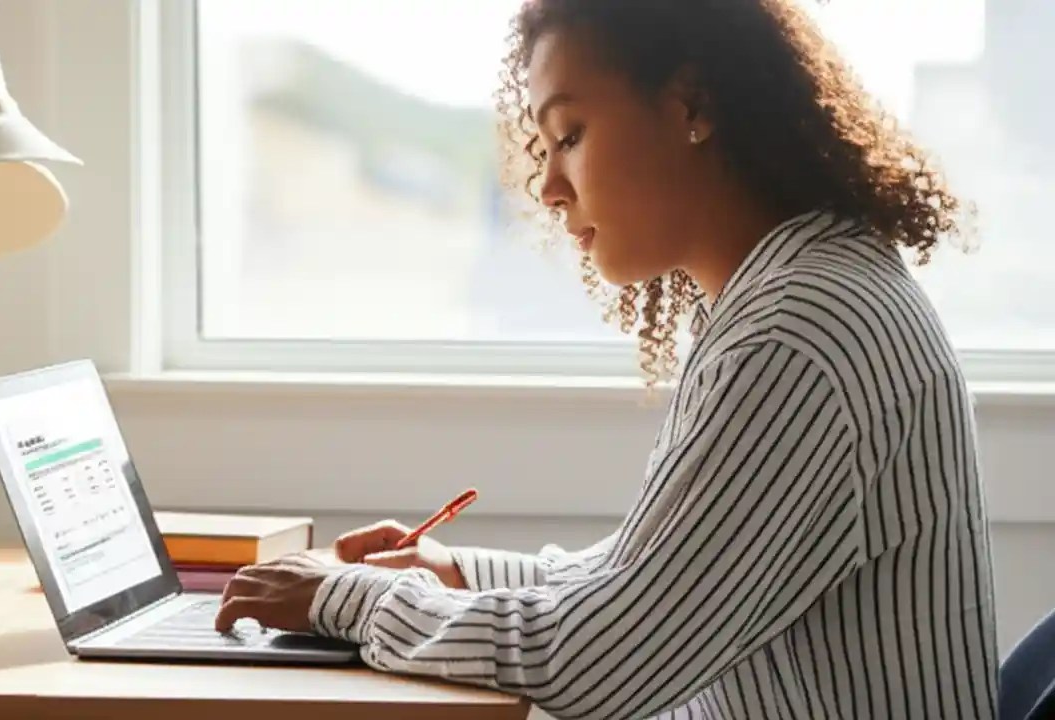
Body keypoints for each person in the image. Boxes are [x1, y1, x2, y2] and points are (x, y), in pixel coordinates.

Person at [213, 0, 999, 717]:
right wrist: (457, 575)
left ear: (691, 105)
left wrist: (342, 600)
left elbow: (601, 659)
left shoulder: (798, 335)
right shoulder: (800, 294)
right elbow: (649, 576)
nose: (550, 185)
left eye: (571, 135)